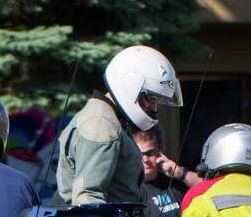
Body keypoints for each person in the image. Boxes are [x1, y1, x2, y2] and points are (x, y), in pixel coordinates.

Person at [57, 45, 183, 205]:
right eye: (151, 99)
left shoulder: (110, 118)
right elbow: (88, 197)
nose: (154, 108)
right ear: (130, 84)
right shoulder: (101, 123)